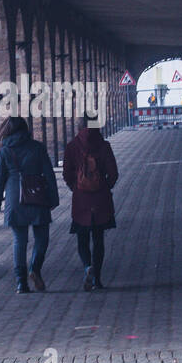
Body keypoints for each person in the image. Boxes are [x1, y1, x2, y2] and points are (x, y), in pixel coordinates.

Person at [0, 116, 59, 294]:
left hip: (15, 199)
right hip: (37, 195)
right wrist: (53, 198)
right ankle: (35, 269)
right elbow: (49, 175)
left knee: (19, 241)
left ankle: (21, 282)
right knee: (42, 239)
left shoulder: (5, 151)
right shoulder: (37, 147)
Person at [62, 115, 119, 291]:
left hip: (81, 200)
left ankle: (87, 267)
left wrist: (77, 188)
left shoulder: (72, 147)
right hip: (101, 199)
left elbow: (66, 174)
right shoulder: (104, 146)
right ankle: (97, 280)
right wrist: (104, 187)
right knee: (99, 239)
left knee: (82, 238)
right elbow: (114, 173)